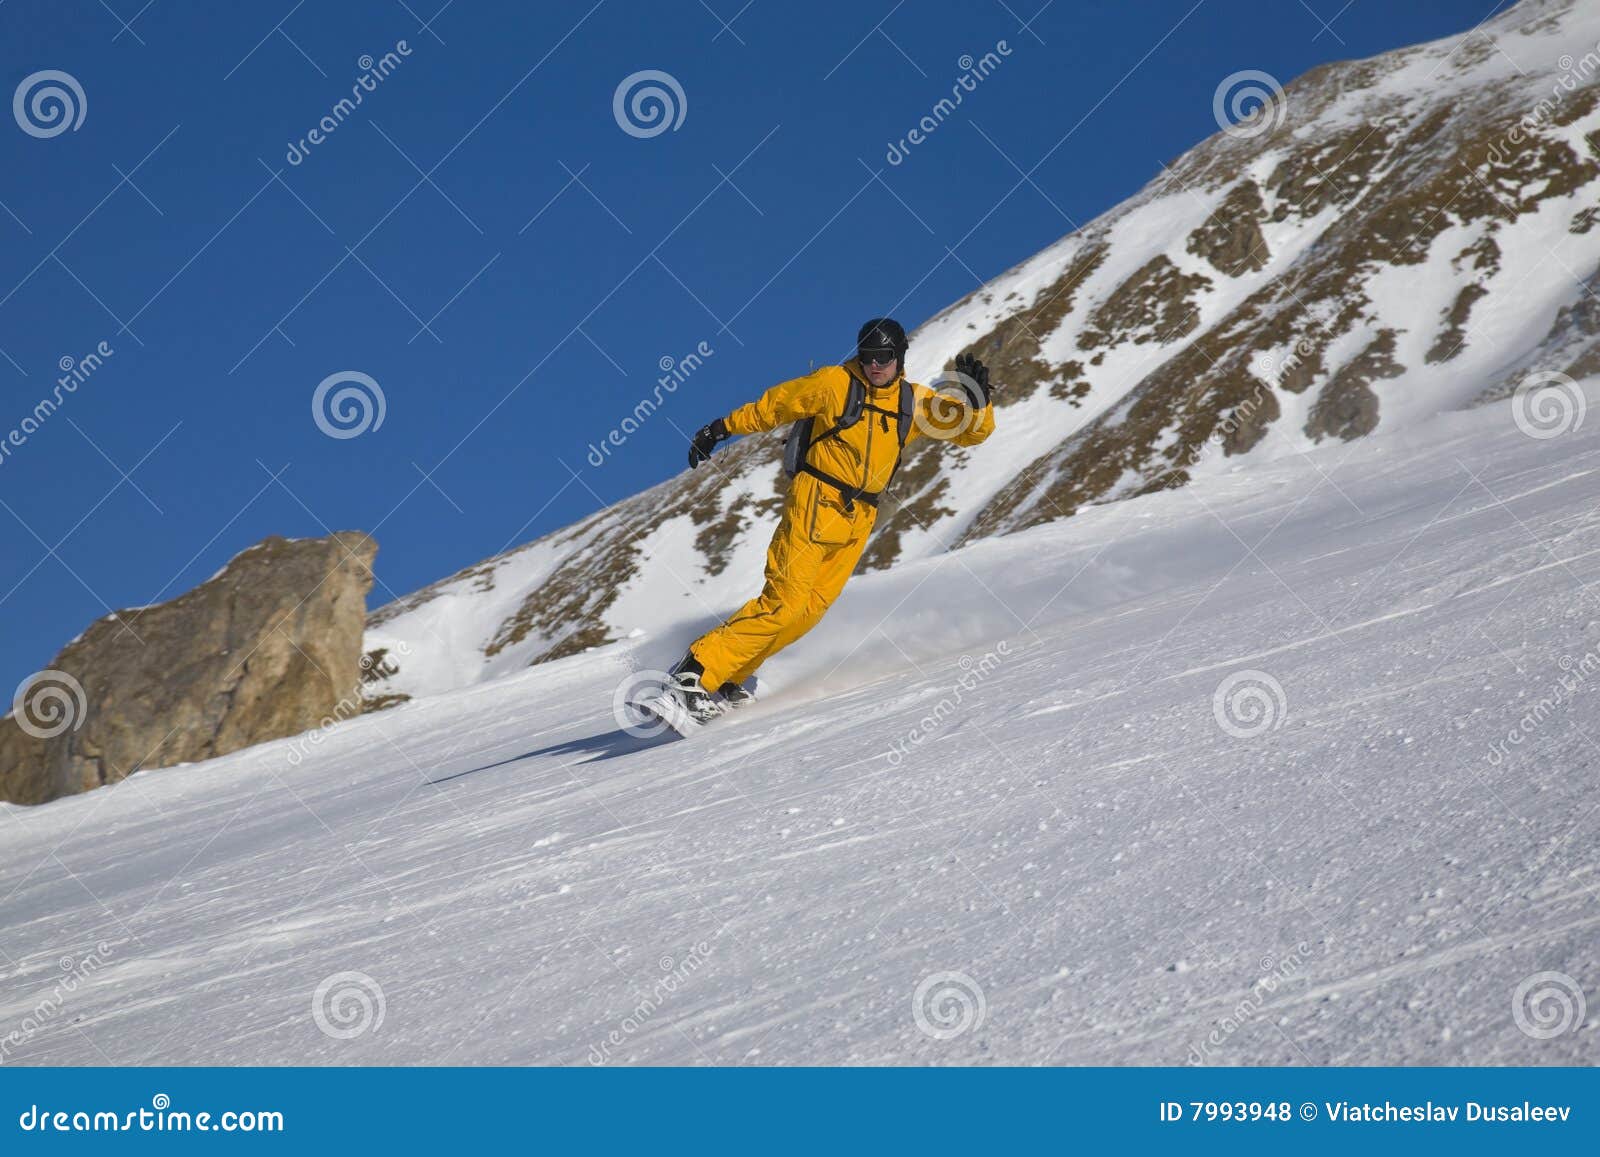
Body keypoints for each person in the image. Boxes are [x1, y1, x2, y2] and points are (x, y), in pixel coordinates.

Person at [659, 317, 997, 724]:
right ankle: (692, 672)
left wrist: (978, 404)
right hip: (815, 503)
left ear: (900, 357)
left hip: (858, 519)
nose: (875, 365)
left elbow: (969, 432)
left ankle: (729, 678)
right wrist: (720, 428)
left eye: (885, 357)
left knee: (808, 613)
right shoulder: (835, 384)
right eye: (869, 356)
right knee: (783, 604)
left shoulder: (913, 403)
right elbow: (777, 404)